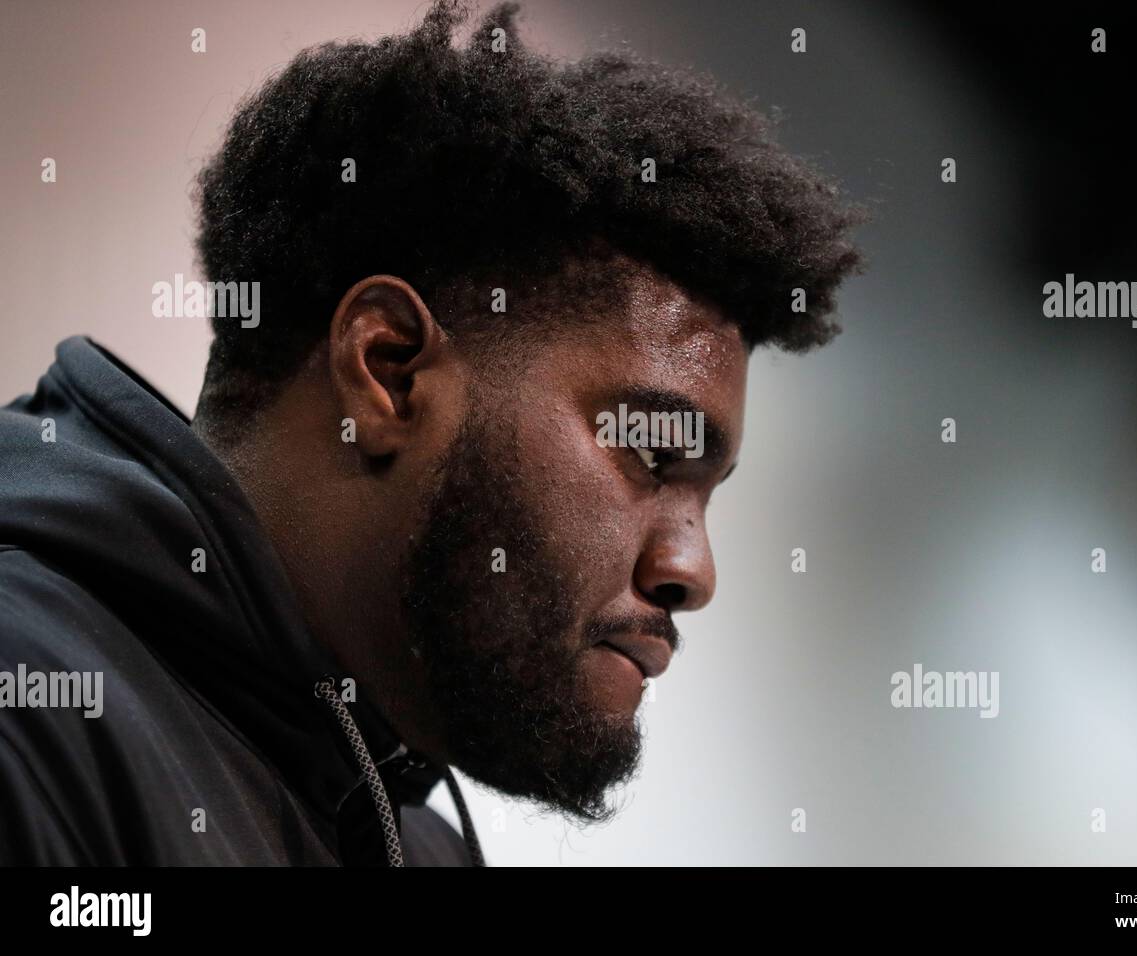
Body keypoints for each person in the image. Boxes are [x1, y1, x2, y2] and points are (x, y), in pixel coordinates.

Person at [0, 0, 861, 865]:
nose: (692, 573)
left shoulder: (415, 838)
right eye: (650, 450)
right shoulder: (32, 720)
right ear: (390, 369)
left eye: (708, 497)